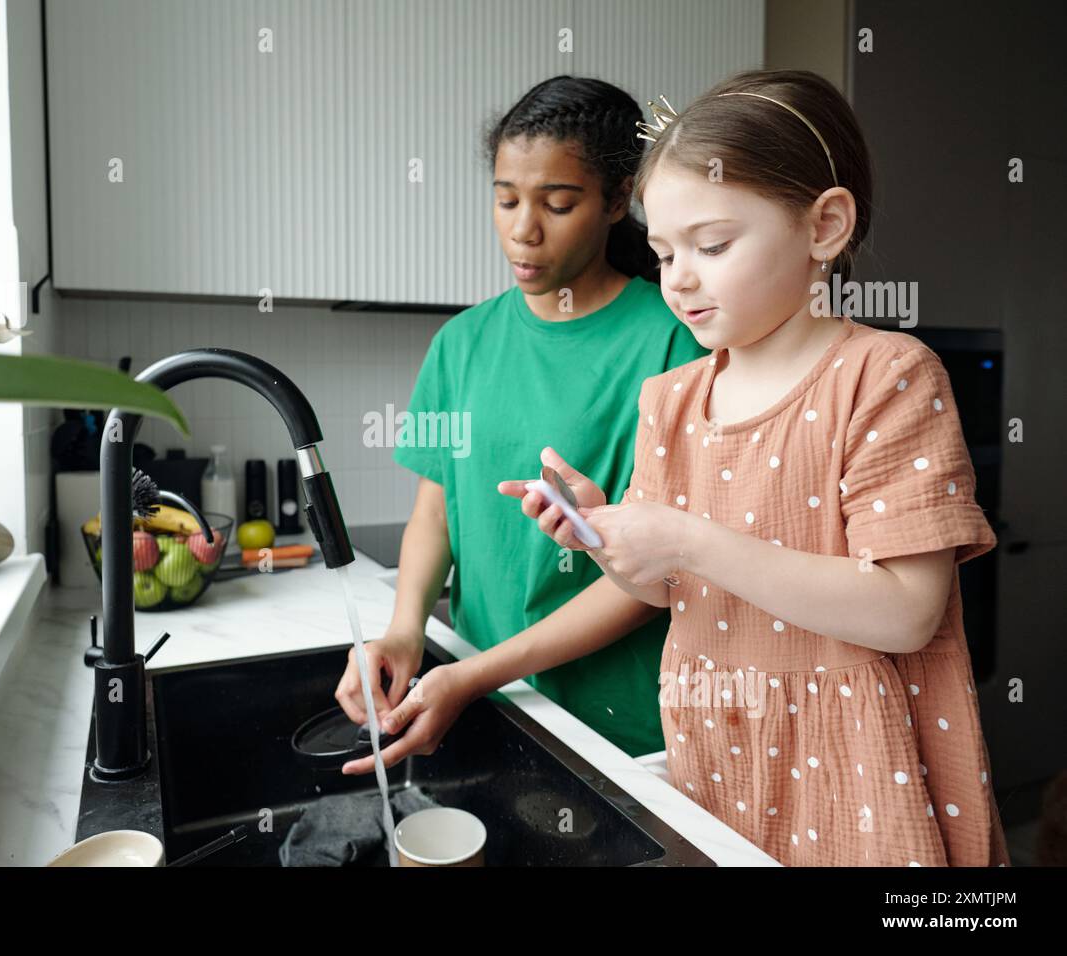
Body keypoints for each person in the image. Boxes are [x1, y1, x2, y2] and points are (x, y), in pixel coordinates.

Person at [512, 69, 1007, 866]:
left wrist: (685, 538)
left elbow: (907, 611)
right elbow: (666, 588)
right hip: (721, 757)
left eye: (712, 246)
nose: (678, 277)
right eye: (665, 251)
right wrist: (604, 533)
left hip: (857, 768)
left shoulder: (885, 375)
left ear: (825, 227)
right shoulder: (668, 401)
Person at [334, 75, 707, 769]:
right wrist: (405, 629)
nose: (522, 228)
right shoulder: (462, 342)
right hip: (478, 705)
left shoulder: (672, 343)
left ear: (617, 201)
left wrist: (477, 673)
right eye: (505, 199)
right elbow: (437, 510)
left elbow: (659, 576)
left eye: (557, 203)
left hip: (619, 734)